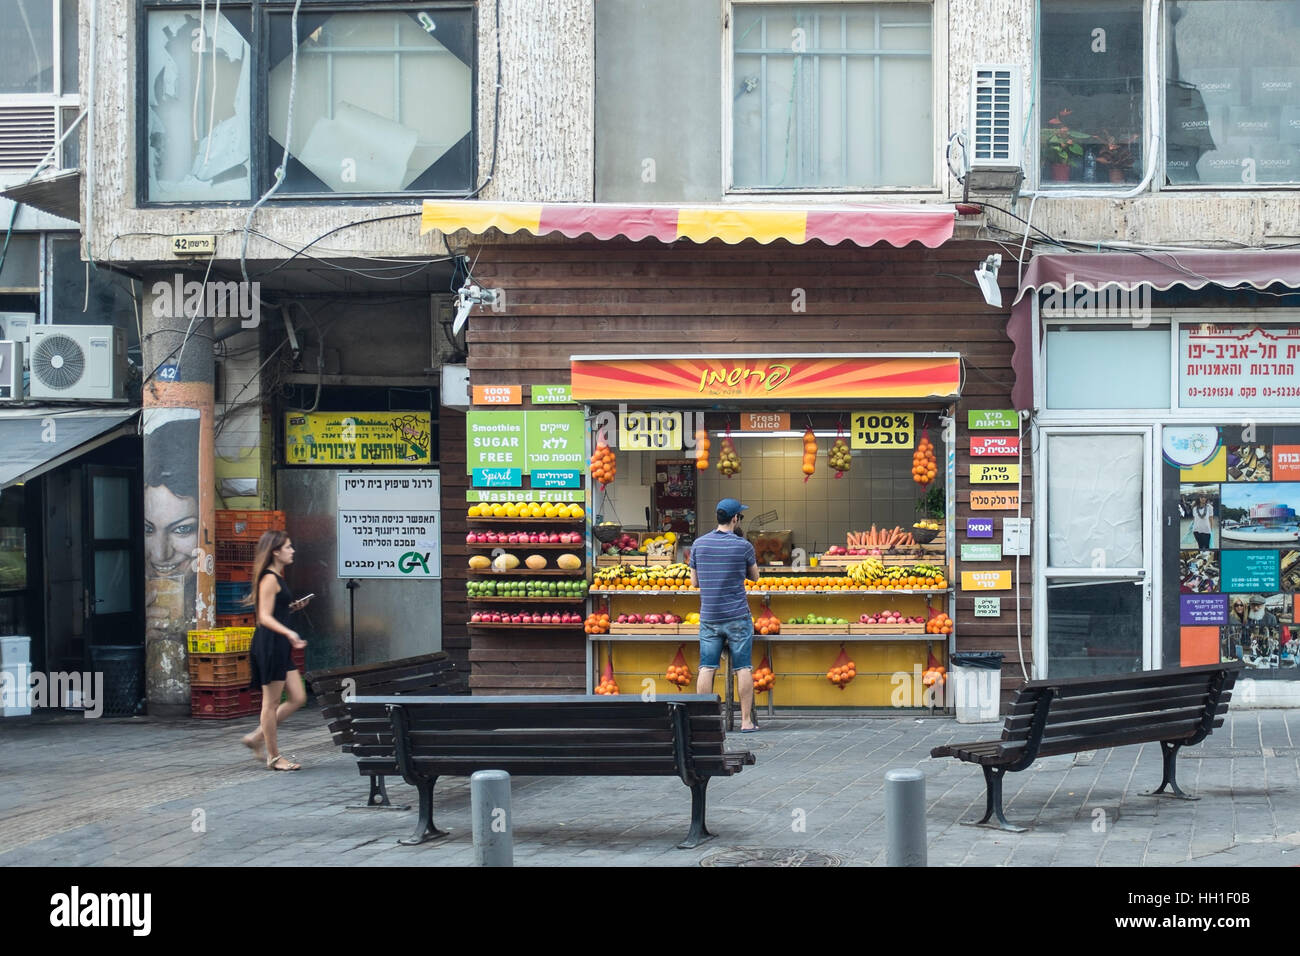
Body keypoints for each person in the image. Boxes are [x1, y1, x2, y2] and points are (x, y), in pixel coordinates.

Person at [241, 531, 312, 770]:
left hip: (279, 645)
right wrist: (290, 633)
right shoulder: (269, 579)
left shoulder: (277, 577)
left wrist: (291, 608)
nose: (292, 551)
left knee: (298, 697)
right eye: (288, 547)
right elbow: (263, 617)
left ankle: (255, 737)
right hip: (270, 645)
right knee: (270, 704)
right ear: (275, 551)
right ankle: (274, 757)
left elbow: (274, 612)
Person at [689, 497, 761, 732]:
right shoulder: (744, 546)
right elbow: (755, 577)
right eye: (740, 516)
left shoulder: (699, 544)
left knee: (706, 667)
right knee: (743, 668)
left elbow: (694, 582)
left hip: (709, 617)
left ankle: (704, 723)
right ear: (734, 519)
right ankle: (746, 722)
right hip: (738, 617)